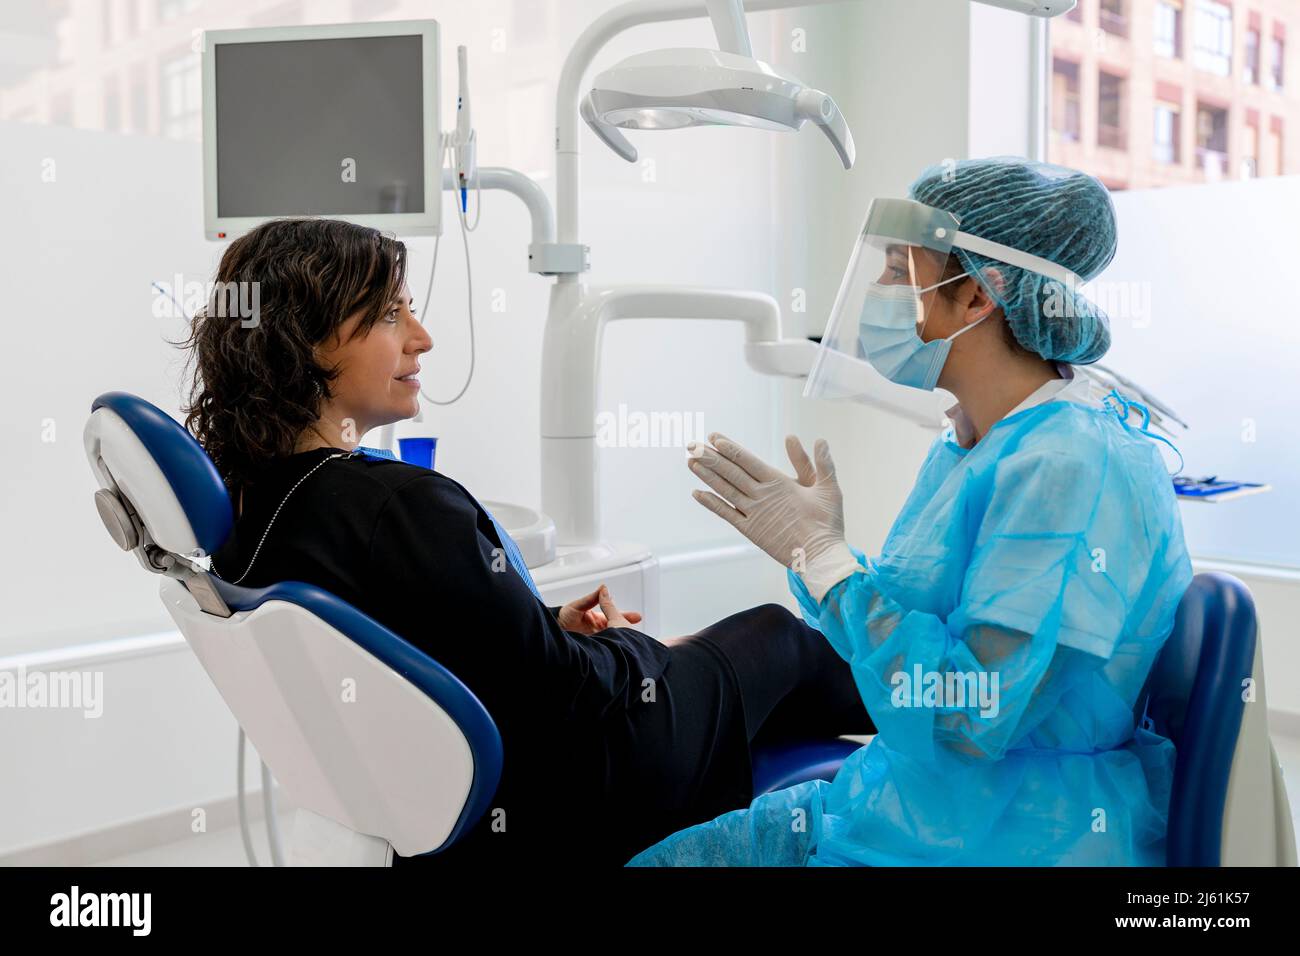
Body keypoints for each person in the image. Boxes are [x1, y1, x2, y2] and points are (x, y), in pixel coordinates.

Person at [180, 217, 872, 867]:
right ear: (309, 341)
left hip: (476, 798)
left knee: (752, 675)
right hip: (580, 784)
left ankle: (920, 736)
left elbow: (414, 640)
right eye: (391, 314)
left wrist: (546, 622)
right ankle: (939, 724)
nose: (421, 337)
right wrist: (636, 650)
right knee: (778, 636)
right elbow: (565, 689)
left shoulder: (257, 506)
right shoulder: (403, 503)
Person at [628, 156, 1193, 866]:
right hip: (920, 801)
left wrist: (833, 568)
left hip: (1012, 834)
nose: (880, 290)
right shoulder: (973, 441)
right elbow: (919, 625)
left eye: (899, 269)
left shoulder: (1070, 465)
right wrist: (818, 552)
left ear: (979, 297)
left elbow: (969, 709)